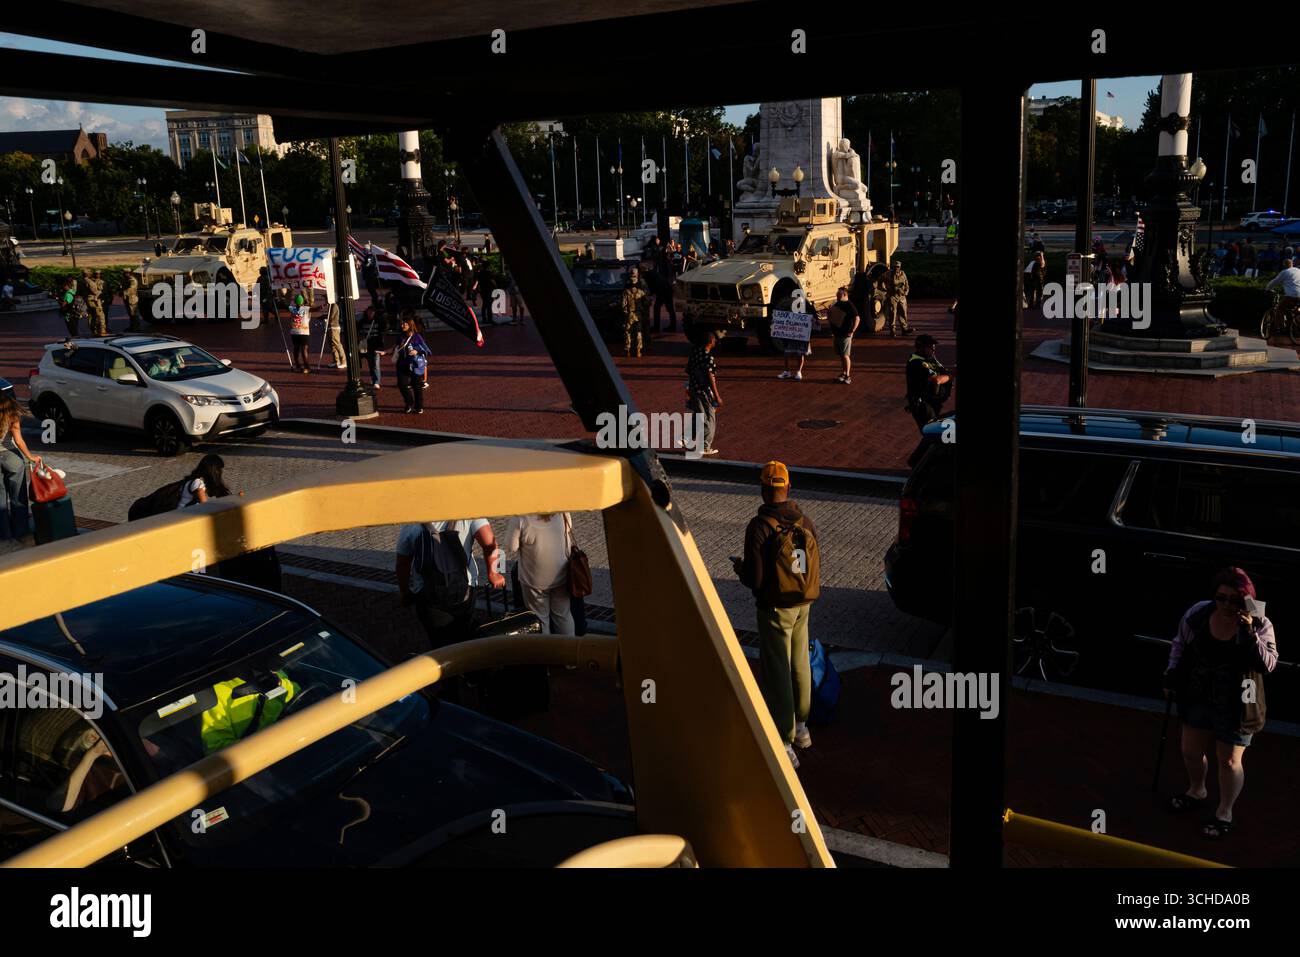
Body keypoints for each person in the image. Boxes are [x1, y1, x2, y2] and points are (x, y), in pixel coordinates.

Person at [1163, 567, 1278, 840]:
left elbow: (1269, 664)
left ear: (1245, 600)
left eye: (1234, 600)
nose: (1226, 605)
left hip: (1238, 700)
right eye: (1221, 598)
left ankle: (1224, 811)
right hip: (1200, 692)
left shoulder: (1260, 621)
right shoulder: (1200, 612)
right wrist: (1171, 674)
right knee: (1190, 750)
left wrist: (1248, 630)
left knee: (1228, 761)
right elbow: (1180, 643)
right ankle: (1197, 789)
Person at [730, 461, 820, 769]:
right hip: (803, 603)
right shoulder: (805, 520)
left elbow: (755, 579)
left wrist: (740, 569)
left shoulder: (760, 526)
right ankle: (803, 727)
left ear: (764, 490)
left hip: (774, 608)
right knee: (799, 663)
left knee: (777, 670)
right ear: (788, 488)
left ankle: (784, 738)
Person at [395, 518, 506, 650]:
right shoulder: (468, 512)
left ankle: (446, 664)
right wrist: (494, 573)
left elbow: (402, 564)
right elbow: (490, 544)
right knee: (466, 634)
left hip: (428, 595)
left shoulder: (411, 523)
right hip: (464, 590)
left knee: (440, 643)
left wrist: (404, 593)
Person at [504, 513, 574, 636]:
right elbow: (568, 529)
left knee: (540, 619)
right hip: (561, 574)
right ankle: (569, 649)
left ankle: (545, 652)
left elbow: (511, 547)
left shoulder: (520, 518)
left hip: (534, 580)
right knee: (563, 615)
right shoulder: (562, 511)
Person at [0, 390, 42, 542]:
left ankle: (4, 534)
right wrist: (31, 457)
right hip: (11, 458)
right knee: (18, 496)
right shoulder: (11, 413)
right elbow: (18, 441)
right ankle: (21, 530)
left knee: (0, 499)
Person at [685, 328, 722, 456]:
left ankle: (686, 437)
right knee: (709, 418)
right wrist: (717, 395)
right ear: (711, 341)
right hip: (704, 391)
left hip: (693, 389)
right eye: (715, 339)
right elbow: (710, 376)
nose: (716, 341)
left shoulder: (695, 353)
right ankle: (705, 445)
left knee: (699, 416)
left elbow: (688, 370)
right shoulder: (708, 357)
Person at [905, 334, 953, 433]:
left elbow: (943, 371)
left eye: (934, 347)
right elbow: (936, 380)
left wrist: (948, 374)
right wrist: (951, 376)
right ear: (921, 348)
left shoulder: (931, 358)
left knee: (934, 432)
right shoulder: (916, 362)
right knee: (932, 433)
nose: (933, 349)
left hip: (932, 401)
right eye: (930, 347)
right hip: (922, 404)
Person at [395, 313, 430, 414]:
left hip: (414, 365)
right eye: (401, 324)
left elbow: (427, 350)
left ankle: (419, 406)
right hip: (402, 364)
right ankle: (409, 403)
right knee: (401, 384)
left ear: (410, 324)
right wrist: (386, 352)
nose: (402, 326)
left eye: (404, 324)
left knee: (416, 386)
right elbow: (395, 347)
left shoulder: (417, 337)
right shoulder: (400, 336)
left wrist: (417, 351)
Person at [827, 286, 860, 384]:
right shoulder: (837, 303)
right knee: (841, 355)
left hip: (845, 334)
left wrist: (852, 330)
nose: (837, 296)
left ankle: (848, 376)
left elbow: (857, 318)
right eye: (837, 295)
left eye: (838, 295)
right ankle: (843, 373)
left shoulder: (849, 305)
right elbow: (831, 315)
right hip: (837, 333)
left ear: (845, 295)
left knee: (845, 355)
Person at [620, 266, 649, 358]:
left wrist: (625, 312)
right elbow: (646, 300)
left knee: (628, 331)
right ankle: (639, 349)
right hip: (639, 313)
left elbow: (623, 304)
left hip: (630, 313)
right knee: (639, 331)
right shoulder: (641, 286)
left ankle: (628, 349)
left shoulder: (626, 288)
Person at [358, 304, 386, 390]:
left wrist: (382, 343)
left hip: (376, 346)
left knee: (376, 364)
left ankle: (376, 382)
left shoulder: (379, 321)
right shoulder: (362, 321)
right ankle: (374, 379)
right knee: (371, 364)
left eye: (372, 312)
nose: (370, 313)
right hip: (366, 346)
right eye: (369, 312)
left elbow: (384, 330)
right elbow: (358, 331)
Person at [885, 260, 912, 336]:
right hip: (893, 296)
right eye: (895, 267)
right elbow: (881, 280)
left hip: (902, 296)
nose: (896, 268)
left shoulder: (903, 273)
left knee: (903, 313)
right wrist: (886, 289)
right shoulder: (889, 274)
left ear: (900, 267)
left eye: (898, 267)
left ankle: (904, 329)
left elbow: (906, 284)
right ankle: (892, 330)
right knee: (892, 314)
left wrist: (906, 292)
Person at [289, 293, 312, 373]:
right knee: (304, 349)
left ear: (295, 302)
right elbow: (316, 309)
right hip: (304, 332)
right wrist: (324, 305)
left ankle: (297, 365)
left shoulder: (291, 308)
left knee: (296, 348)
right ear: (302, 302)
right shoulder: (306, 309)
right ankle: (307, 367)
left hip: (294, 331)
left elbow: (285, 305)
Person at [326, 300, 346, 369]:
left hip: (334, 327)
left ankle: (343, 361)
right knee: (332, 345)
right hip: (330, 327)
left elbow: (331, 317)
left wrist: (326, 319)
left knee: (337, 344)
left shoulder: (334, 305)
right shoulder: (330, 305)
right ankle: (336, 361)